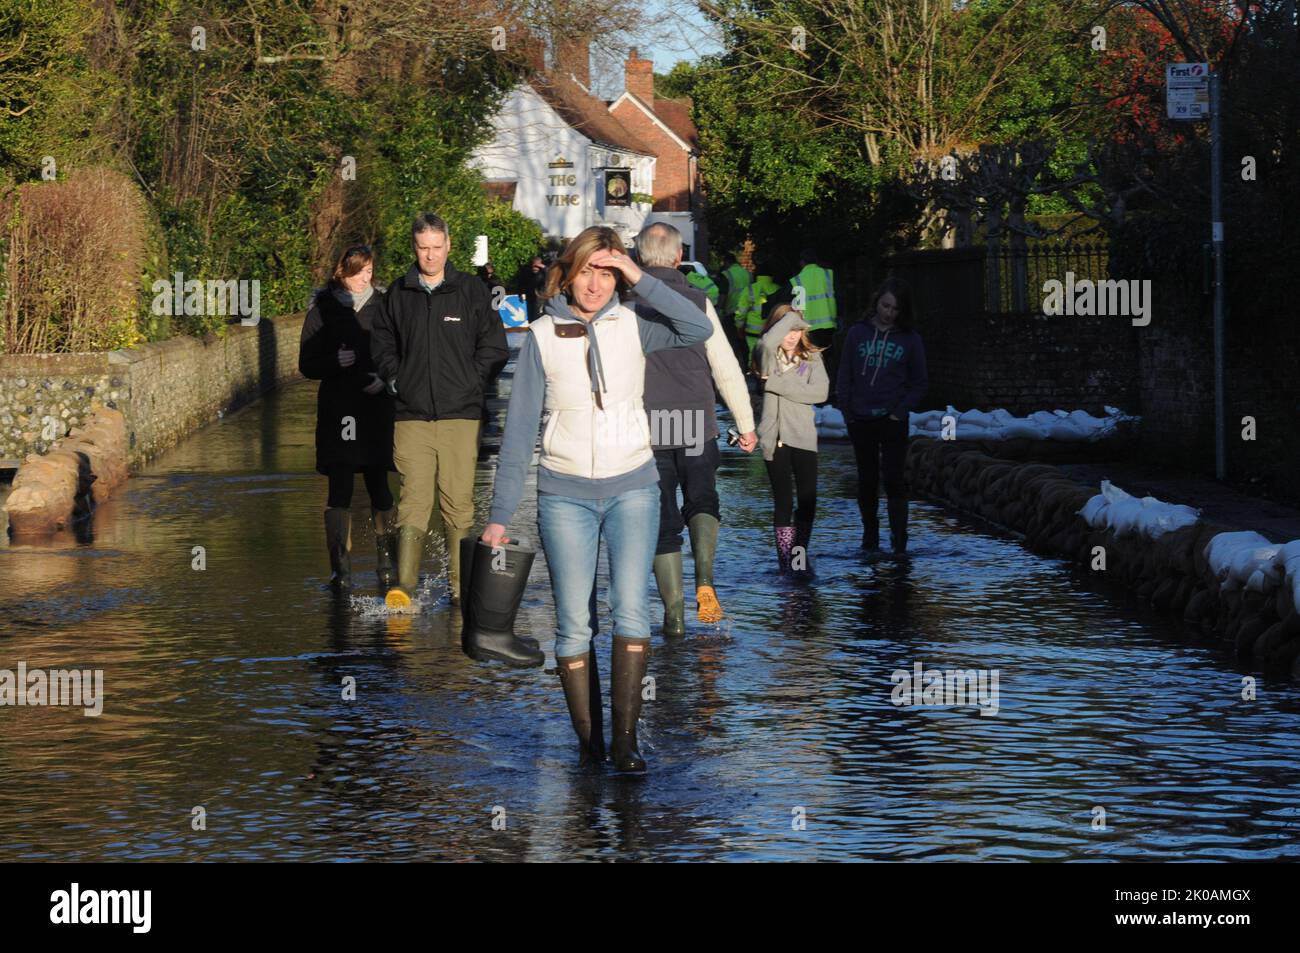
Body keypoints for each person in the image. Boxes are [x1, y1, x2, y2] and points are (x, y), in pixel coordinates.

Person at [481, 225, 713, 775]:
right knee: (573, 624)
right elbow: (518, 434)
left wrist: (638, 276)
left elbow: (697, 325)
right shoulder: (540, 336)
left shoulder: (637, 324)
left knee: (632, 609)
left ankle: (626, 744)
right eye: (587, 270)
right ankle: (590, 748)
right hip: (564, 495)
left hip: (633, 486)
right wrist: (497, 517)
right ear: (568, 272)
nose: (594, 283)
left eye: (606, 272)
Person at [370, 213, 509, 609]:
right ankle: (405, 587)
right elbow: (381, 345)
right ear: (414, 248)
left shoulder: (471, 291)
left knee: (458, 501)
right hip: (410, 414)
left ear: (449, 246)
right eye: (422, 248)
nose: (430, 255)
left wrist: (471, 381)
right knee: (413, 498)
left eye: (436, 247)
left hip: (460, 415)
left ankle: (461, 590)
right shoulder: (398, 293)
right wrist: (396, 379)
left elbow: (494, 347)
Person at [634, 223, 757, 638]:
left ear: (639, 256)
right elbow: (725, 366)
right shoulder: (697, 299)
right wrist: (746, 425)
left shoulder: (628, 304)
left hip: (647, 423)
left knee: (661, 519)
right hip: (694, 417)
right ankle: (706, 580)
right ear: (678, 255)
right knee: (702, 498)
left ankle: (673, 616)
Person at [299, 244, 397, 592]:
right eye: (358, 273)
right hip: (339, 410)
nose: (364, 279)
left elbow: (400, 352)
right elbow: (306, 364)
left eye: (369, 271)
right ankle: (341, 571)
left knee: (379, 485)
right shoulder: (322, 310)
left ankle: (388, 567)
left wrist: (385, 380)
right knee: (339, 487)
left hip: (375, 407)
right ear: (342, 272)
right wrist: (332, 363)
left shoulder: (384, 306)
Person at [836, 277, 928, 553]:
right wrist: (847, 410)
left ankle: (899, 540)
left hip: (892, 418)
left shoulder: (910, 340)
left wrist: (900, 412)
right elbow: (845, 374)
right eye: (885, 306)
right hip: (860, 417)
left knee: (893, 478)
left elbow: (920, 382)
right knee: (866, 479)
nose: (888, 313)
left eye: (895, 309)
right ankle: (870, 536)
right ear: (876, 302)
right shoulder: (857, 334)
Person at [753, 305, 828, 578]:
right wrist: (788, 319)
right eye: (787, 329)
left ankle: (799, 555)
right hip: (775, 438)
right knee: (783, 503)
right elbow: (765, 342)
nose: (793, 335)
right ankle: (787, 563)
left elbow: (820, 393)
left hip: (804, 437)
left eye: (798, 329)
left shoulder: (812, 359)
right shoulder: (767, 356)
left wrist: (774, 384)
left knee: (808, 501)